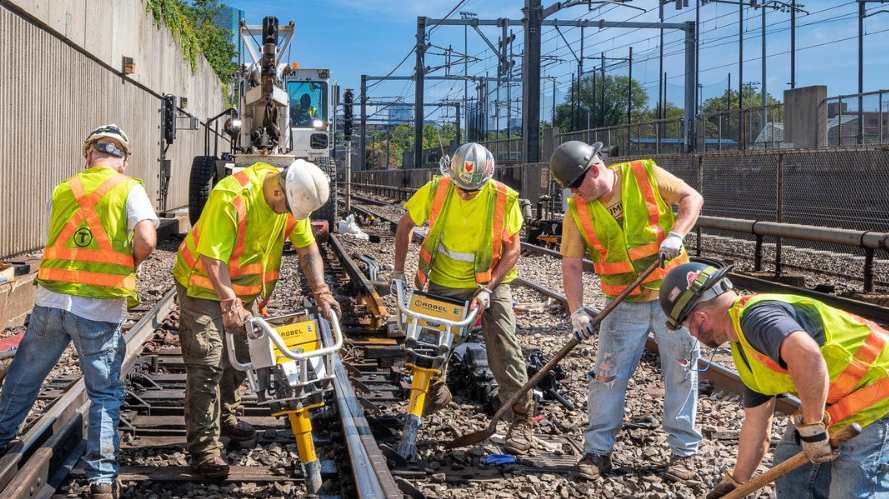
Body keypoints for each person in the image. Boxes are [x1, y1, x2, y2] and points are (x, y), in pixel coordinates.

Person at [0, 124, 158, 499]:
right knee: (103, 392)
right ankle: (102, 478)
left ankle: (2, 435)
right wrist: (127, 264)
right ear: (123, 160)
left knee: (24, 375)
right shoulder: (128, 188)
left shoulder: (64, 188)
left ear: (88, 155)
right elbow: (148, 238)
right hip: (99, 306)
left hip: (51, 300)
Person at [659, 259, 889, 498]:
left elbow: (807, 354)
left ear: (700, 318)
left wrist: (812, 429)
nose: (693, 334)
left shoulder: (757, 317)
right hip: (843, 406)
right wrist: (737, 483)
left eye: (687, 327)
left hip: (880, 399)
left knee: (853, 490)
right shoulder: (745, 347)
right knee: (791, 465)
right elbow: (757, 425)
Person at [172, 159, 340, 479]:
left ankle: (227, 417)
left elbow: (307, 249)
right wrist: (229, 302)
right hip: (203, 284)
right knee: (208, 361)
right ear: (278, 190)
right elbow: (212, 256)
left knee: (240, 357)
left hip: (247, 292)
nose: (291, 218)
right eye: (288, 209)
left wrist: (320, 289)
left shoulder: (290, 201)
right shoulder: (232, 197)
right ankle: (204, 449)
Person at [548, 141, 705, 482]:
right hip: (622, 304)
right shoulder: (577, 208)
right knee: (606, 376)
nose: (575, 193)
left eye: (578, 185)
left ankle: (683, 455)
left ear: (595, 169)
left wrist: (676, 234)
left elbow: (692, 198)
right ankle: (597, 451)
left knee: (681, 372)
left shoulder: (644, 173)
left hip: (673, 297)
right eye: (570, 189)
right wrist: (577, 311)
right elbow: (572, 263)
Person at [391, 142, 533, 454]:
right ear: (451, 175)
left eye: (473, 189)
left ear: (487, 178)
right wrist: (398, 274)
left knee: (504, 344)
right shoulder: (436, 189)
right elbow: (404, 227)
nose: (466, 194)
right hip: (444, 280)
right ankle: (435, 392)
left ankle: (521, 416)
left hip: (491, 282)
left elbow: (513, 250)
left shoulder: (503, 198)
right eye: (461, 187)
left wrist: (488, 288)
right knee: (428, 343)